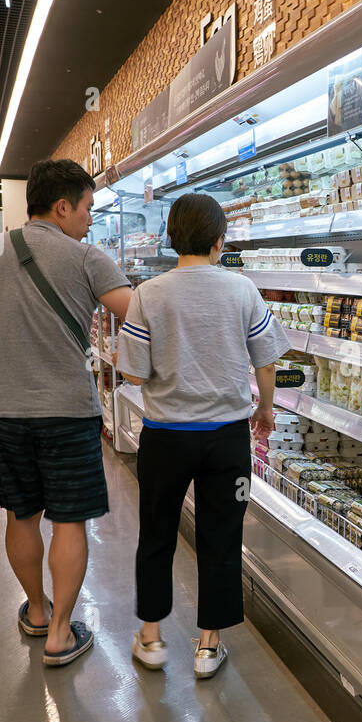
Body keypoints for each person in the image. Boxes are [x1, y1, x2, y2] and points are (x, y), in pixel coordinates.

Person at [0, 159, 132, 668]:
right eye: (86, 208)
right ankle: (61, 631)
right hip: (68, 412)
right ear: (62, 206)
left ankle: (36, 610)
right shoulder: (87, 257)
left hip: (6, 411)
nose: (88, 219)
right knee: (69, 520)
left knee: (23, 514)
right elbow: (139, 315)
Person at [116, 193, 288, 678]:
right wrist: (267, 410)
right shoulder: (241, 290)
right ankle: (208, 646)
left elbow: (132, 373)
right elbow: (265, 360)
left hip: (165, 437)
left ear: (172, 239)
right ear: (220, 241)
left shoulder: (149, 294)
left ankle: (150, 638)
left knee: (156, 535)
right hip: (226, 439)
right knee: (221, 536)